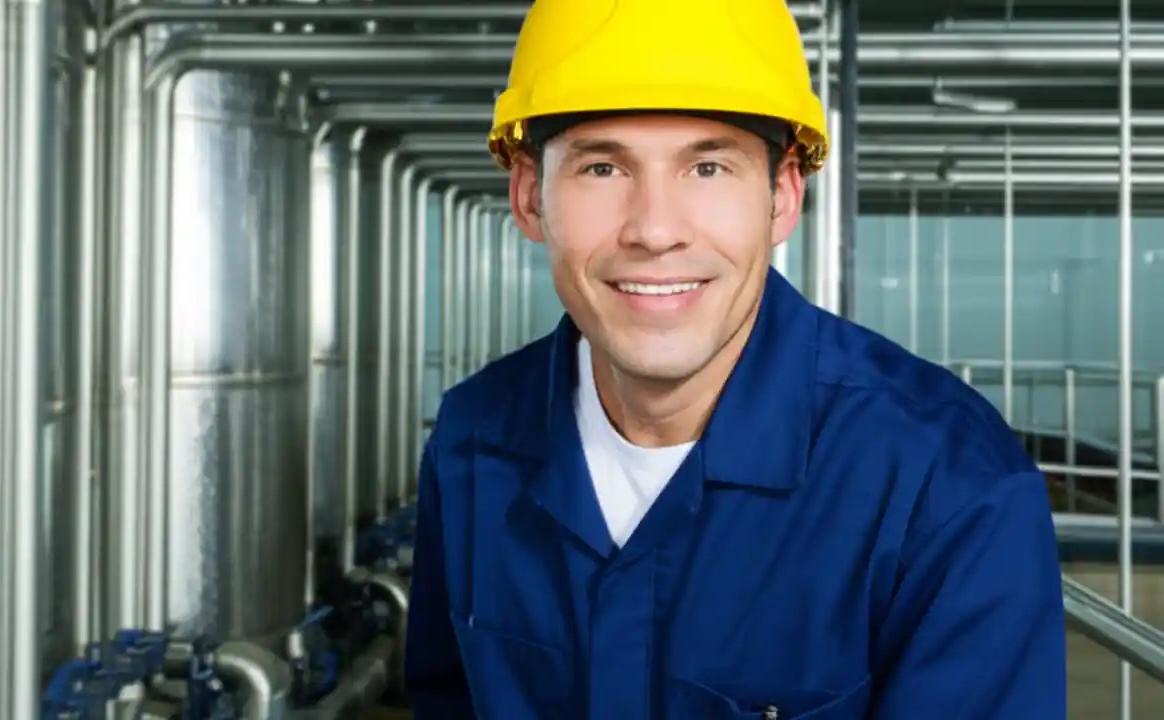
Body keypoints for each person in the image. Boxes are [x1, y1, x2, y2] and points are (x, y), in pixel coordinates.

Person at [405, 0, 1067, 717]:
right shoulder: (473, 440)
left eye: (709, 167)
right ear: (530, 198)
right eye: (602, 168)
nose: (655, 230)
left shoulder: (949, 488)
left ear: (782, 197)